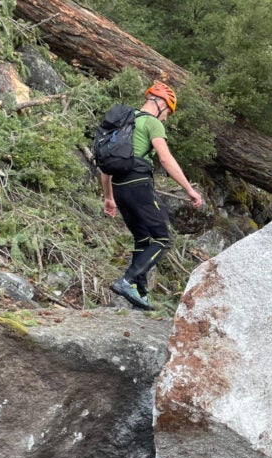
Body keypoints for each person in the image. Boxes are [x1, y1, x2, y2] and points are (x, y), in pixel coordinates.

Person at [101, 81, 203, 311]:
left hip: (118, 186)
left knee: (142, 238)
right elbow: (166, 160)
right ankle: (127, 281)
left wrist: (108, 196)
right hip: (138, 183)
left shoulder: (122, 123)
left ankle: (141, 294)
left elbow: (105, 163)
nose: (166, 117)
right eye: (167, 111)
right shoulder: (152, 123)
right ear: (160, 104)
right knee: (163, 238)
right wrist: (189, 189)